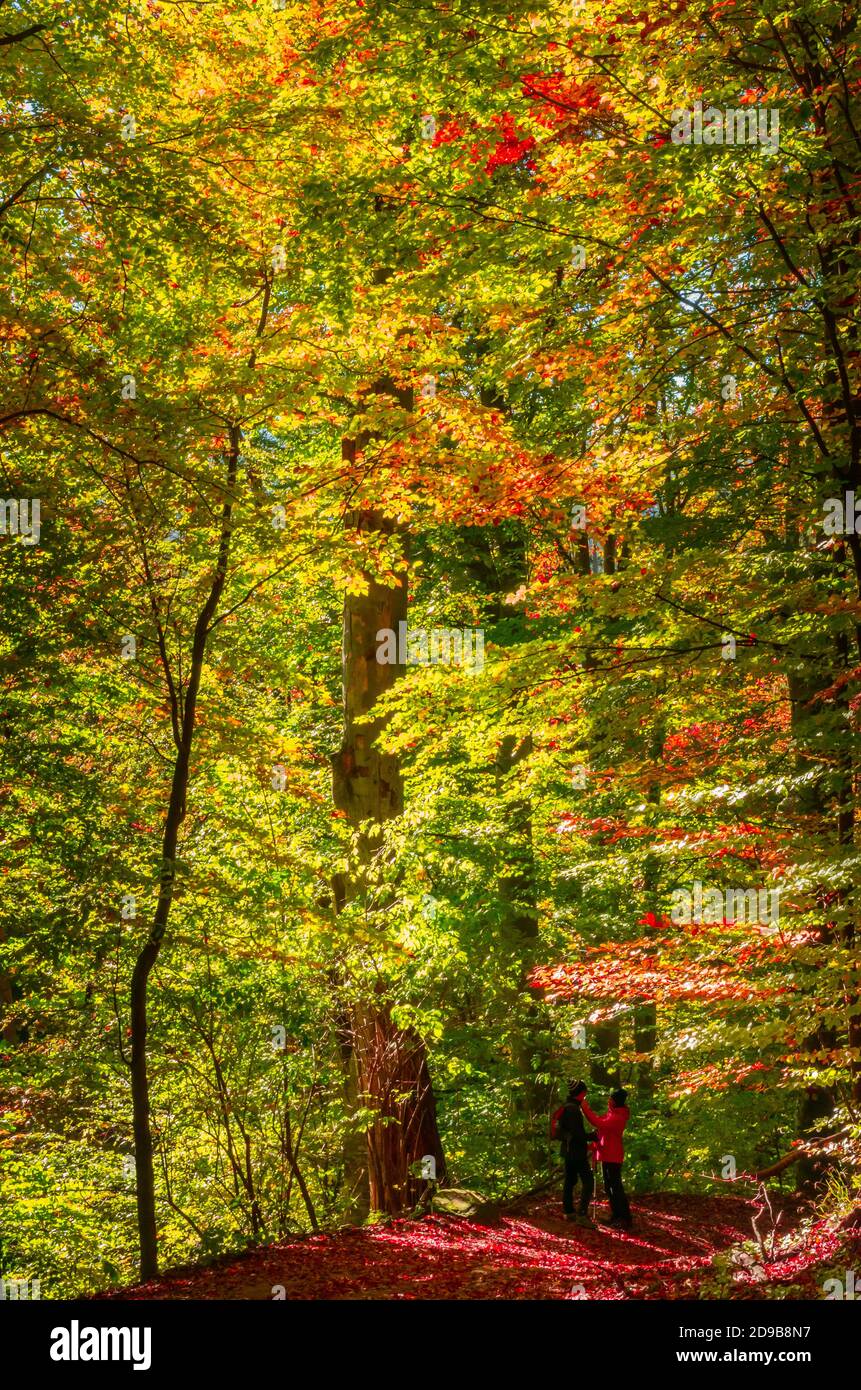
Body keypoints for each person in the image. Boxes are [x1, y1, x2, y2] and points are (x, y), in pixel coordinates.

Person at [575, 1086, 632, 1230]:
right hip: (607, 1154)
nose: (608, 1101)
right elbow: (602, 1131)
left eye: (611, 1099)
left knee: (616, 1187)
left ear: (614, 1101)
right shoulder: (612, 1114)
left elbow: (597, 1122)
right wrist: (592, 1146)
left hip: (613, 1156)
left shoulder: (618, 1117)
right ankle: (616, 1216)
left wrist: (584, 1106)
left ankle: (624, 1217)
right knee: (609, 1187)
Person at [552, 1080, 597, 1227]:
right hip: (576, 1152)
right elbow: (578, 1134)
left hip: (567, 1150)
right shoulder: (573, 1110)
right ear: (582, 1093)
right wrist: (593, 1136)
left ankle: (568, 1211)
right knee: (588, 1181)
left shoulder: (567, 1106)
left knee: (570, 1181)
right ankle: (582, 1215)